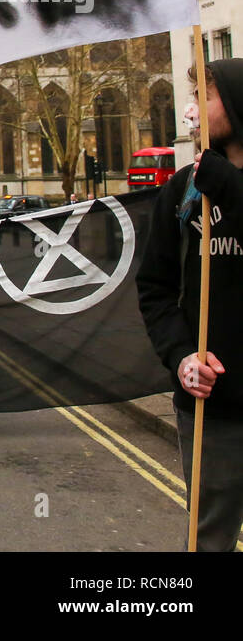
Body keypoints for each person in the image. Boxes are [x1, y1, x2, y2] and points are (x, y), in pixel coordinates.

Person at [139, 58, 243, 551]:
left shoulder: (221, 183)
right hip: (212, 406)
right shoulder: (182, 190)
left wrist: (230, 186)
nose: (194, 108)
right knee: (210, 537)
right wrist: (182, 357)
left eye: (208, 94)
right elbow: (155, 288)